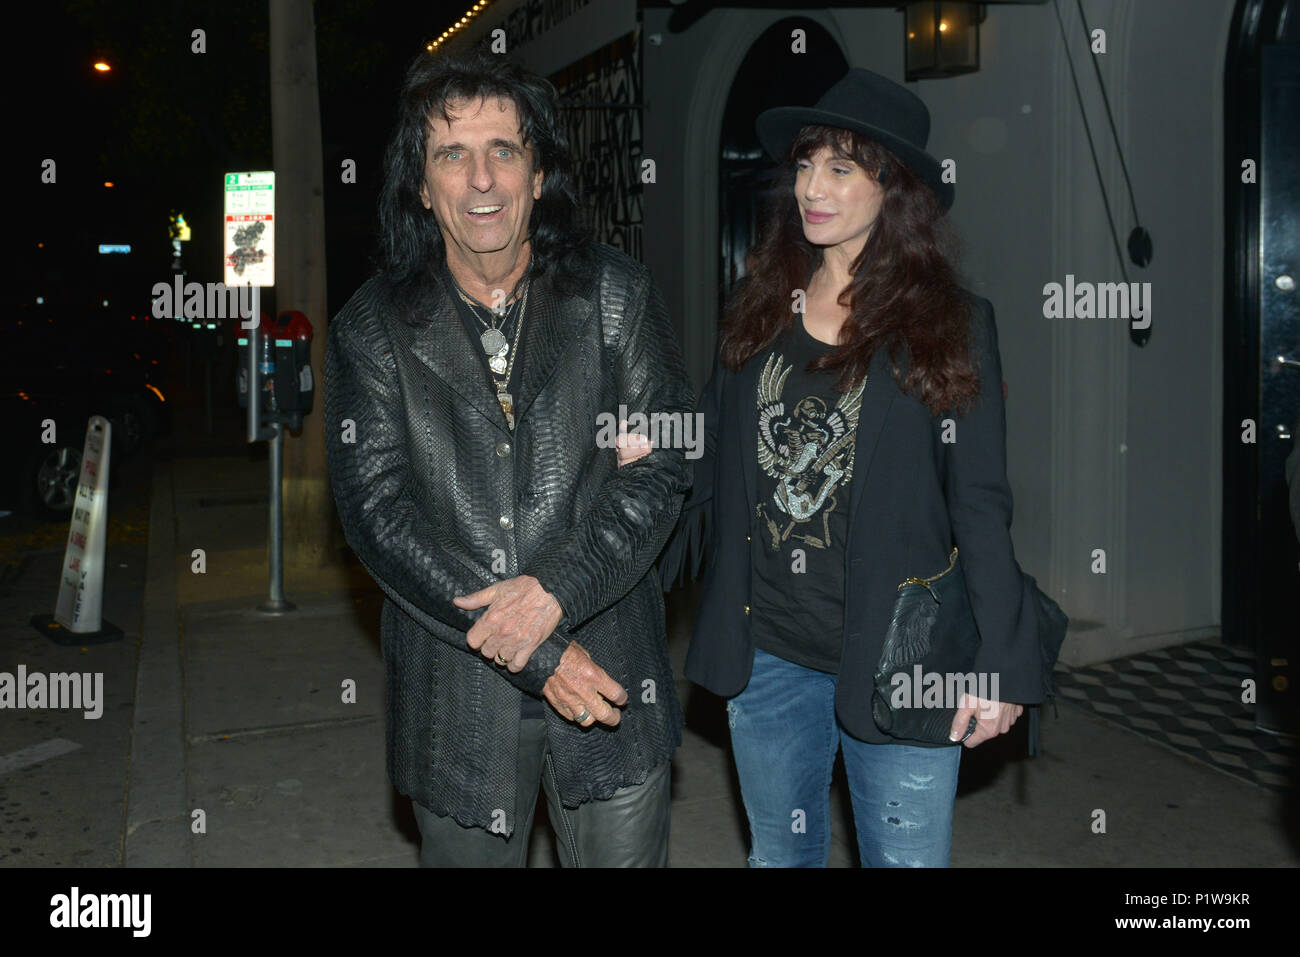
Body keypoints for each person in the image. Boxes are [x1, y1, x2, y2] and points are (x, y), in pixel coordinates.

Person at [630, 68, 1042, 867]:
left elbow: (982, 503)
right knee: (780, 859)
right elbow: (718, 439)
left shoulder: (950, 324)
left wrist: (1003, 660)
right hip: (771, 650)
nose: (811, 188)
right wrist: (657, 436)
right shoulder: (762, 299)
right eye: (806, 164)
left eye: (841, 169)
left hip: (900, 661)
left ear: (895, 189)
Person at [324, 49, 693, 867]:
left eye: (505, 151)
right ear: (422, 186)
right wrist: (540, 649)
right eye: (452, 154)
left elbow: (662, 468)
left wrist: (555, 591)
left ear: (538, 175)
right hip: (457, 701)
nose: (481, 180)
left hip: (612, 677)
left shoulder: (615, 296)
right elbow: (380, 517)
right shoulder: (371, 329)